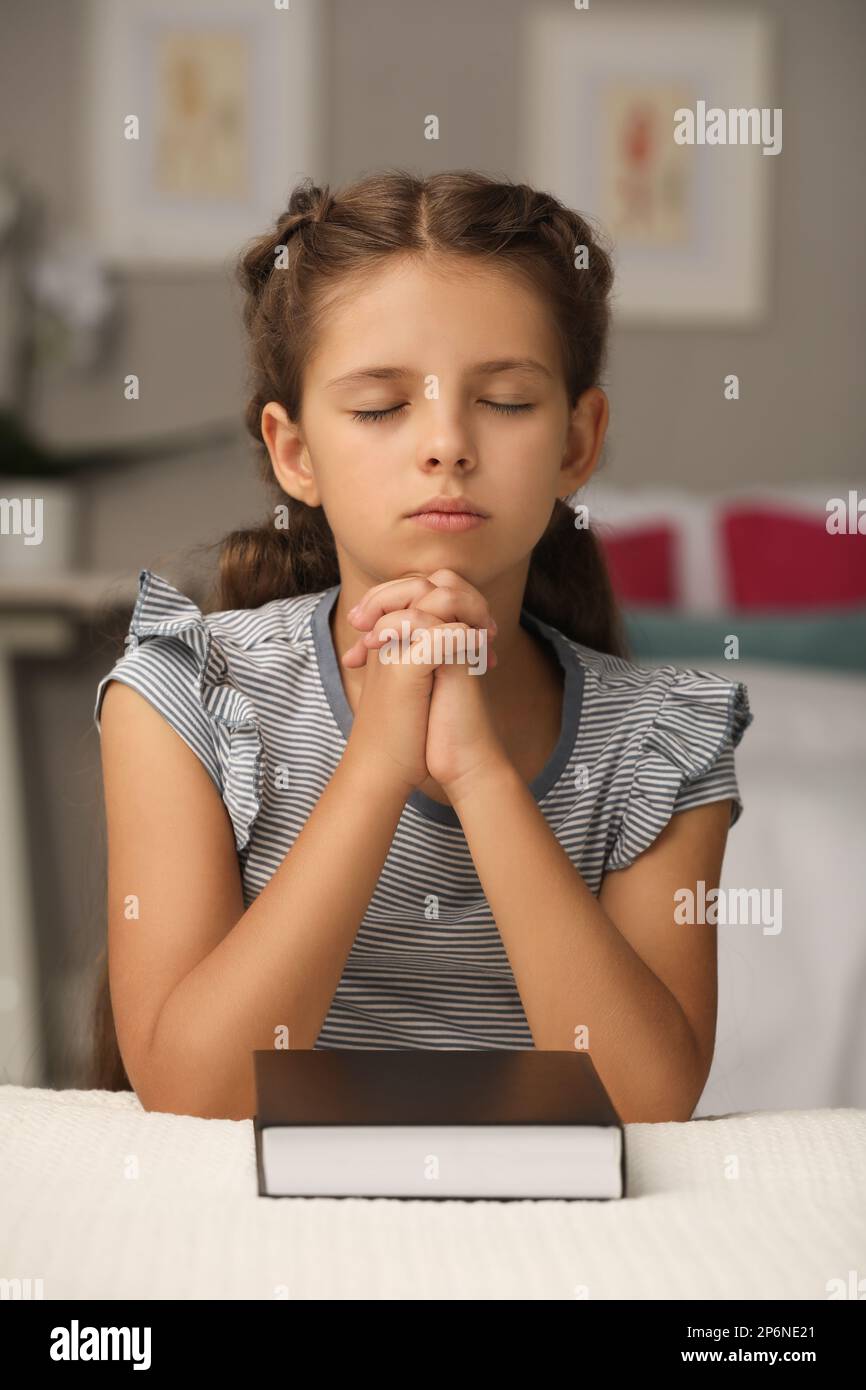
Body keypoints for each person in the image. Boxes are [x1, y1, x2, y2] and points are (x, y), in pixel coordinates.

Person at [92, 169, 753, 1123]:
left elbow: (647, 1104)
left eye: (508, 403)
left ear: (578, 440)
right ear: (295, 453)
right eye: (379, 407)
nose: (445, 444)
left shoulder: (662, 743)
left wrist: (480, 775)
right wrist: (375, 765)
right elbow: (196, 1095)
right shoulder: (184, 695)